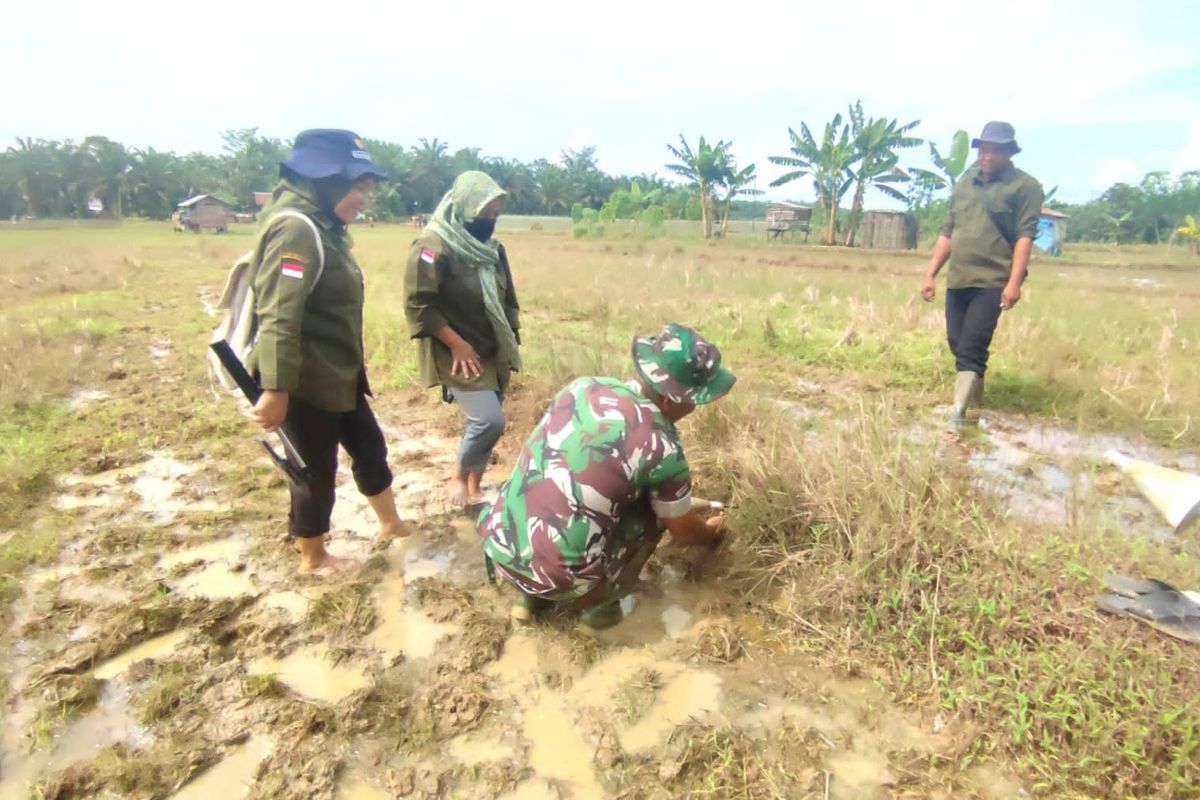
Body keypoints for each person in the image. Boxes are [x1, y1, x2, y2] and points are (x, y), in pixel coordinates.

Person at [477, 322, 734, 632]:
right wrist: (710, 532)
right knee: (652, 515)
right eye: (694, 400)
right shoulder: (662, 448)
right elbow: (683, 533)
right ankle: (599, 609)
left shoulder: (583, 386)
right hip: (561, 577)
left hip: (501, 544)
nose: (694, 408)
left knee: (548, 493)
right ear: (671, 398)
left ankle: (529, 600)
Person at [247, 129, 412, 575]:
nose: (365, 198)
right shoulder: (296, 230)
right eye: (359, 187)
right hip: (304, 380)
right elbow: (279, 314)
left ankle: (390, 523)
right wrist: (276, 388)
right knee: (314, 468)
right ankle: (313, 557)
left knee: (370, 447)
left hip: (338, 373)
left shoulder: (326, 228)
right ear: (327, 181)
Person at [404, 171, 520, 506]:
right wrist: (456, 343)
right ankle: (457, 478)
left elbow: (508, 298)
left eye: (495, 214)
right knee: (488, 420)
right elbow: (419, 305)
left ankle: (474, 486)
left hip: (492, 347)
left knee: (490, 422)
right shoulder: (432, 247)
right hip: (455, 350)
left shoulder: (493, 250)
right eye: (484, 213)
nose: (490, 221)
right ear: (465, 208)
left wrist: (511, 340)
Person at [920, 121, 1044, 421]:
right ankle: (974, 402)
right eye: (983, 149)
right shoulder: (964, 185)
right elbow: (948, 232)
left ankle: (958, 413)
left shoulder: (1025, 187)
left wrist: (1014, 283)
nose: (987, 156)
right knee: (957, 342)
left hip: (992, 280)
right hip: (959, 277)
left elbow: (1024, 237)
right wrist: (931, 274)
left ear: (1009, 152)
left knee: (972, 345)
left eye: (995, 150)